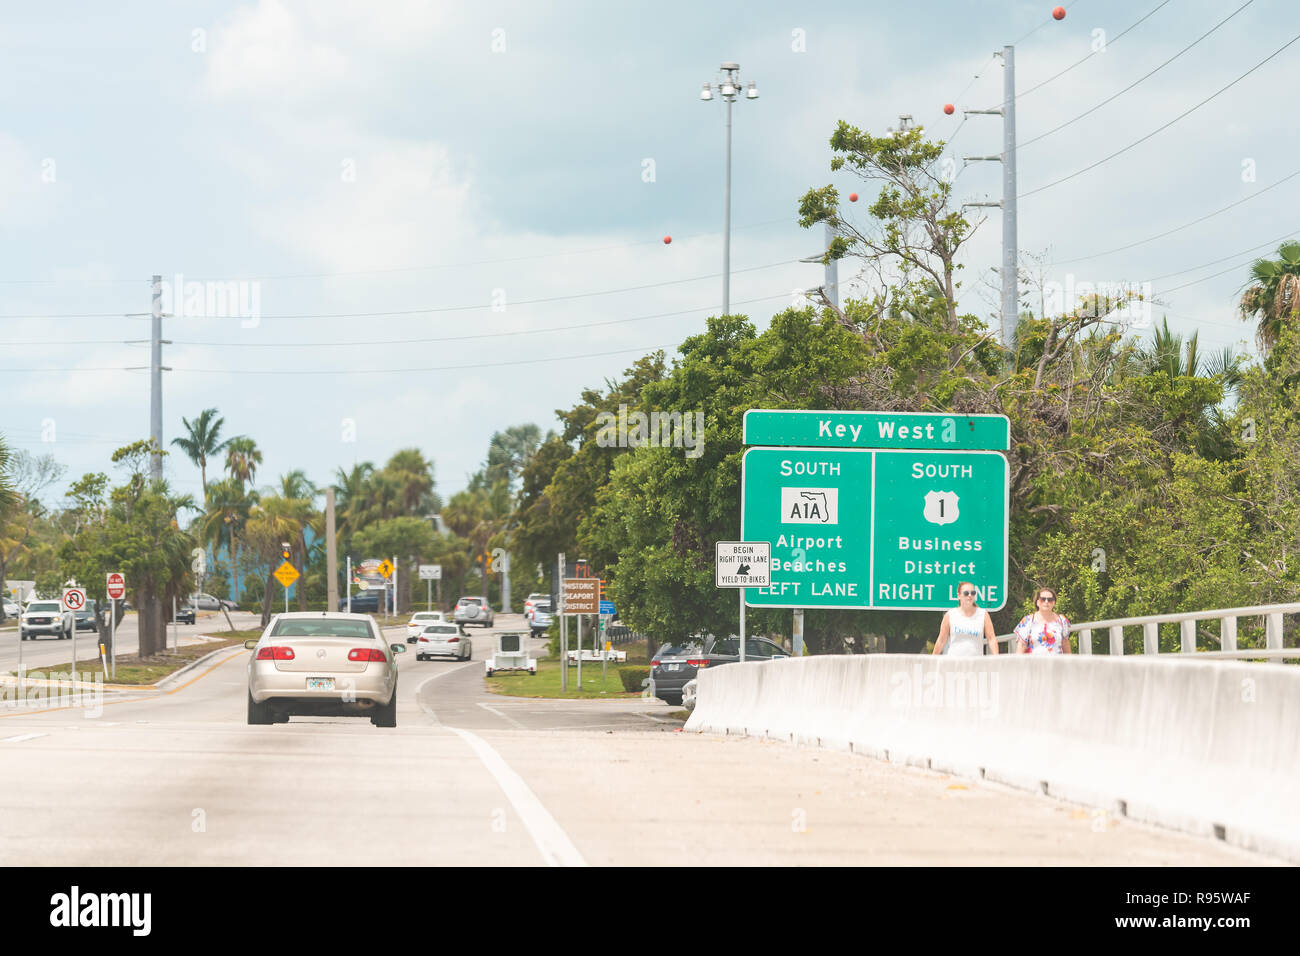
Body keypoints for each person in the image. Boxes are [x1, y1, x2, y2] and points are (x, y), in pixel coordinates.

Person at [933, 582, 998, 656]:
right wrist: (932, 660)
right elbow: (941, 640)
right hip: (954, 664)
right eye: (966, 593)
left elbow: (991, 638)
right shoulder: (950, 615)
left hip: (976, 664)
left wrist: (996, 658)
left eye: (973, 593)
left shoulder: (983, 614)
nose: (970, 595)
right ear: (959, 596)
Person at [1014, 587, 1071, 654]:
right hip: (1034, 663)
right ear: (1037, 602)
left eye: (1050, 600)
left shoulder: (1062, 620)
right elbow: (1021, 646)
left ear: (1054, 603)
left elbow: (1065, 644)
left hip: (1056, 663)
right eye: (1043, 599)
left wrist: (1069, 663)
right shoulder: (1027, 621)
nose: (1046, 602)